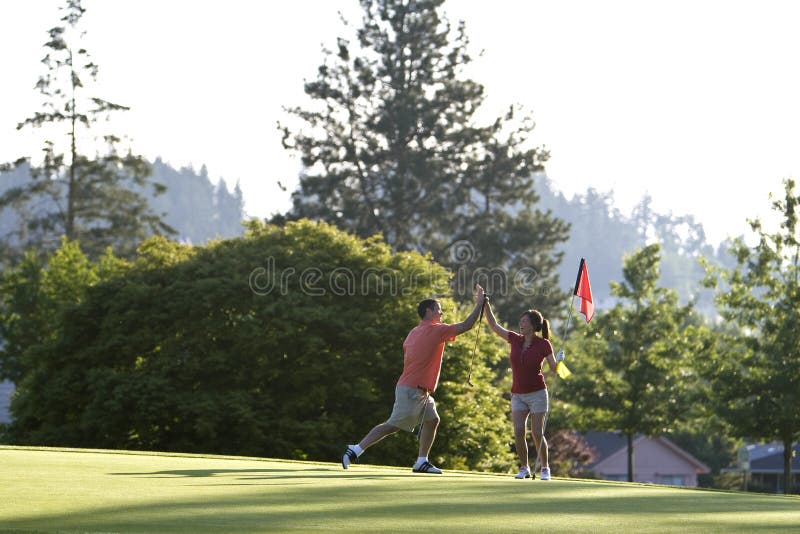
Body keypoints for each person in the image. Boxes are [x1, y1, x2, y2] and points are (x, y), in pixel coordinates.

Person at [342, 285, 486, 474]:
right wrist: (479, 304)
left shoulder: (414, 332)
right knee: (392, 425)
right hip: (412, 390)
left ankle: (421, 461)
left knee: (433, 420)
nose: (441, 313)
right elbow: (466, 325)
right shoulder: (434, 330)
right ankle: (355, 449)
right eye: (438, 309)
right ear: (429, 311)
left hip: (418, 390)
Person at [483, 299, 558, 480]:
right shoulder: (515, 339)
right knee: (518, 431)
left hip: (538, 394)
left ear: (533, 326)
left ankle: (545, 469)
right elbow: (494, 325)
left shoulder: (544, 344)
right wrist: (485, 305)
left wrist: (561, 360)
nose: (521, 324)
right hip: (518, 394)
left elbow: (555, 368)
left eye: (524, 322)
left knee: (537, 433)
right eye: (521, 321)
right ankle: (524, 468)